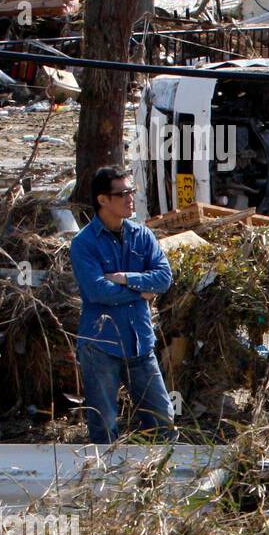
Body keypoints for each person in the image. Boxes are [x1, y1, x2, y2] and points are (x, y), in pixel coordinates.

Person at [69, 167, 175, 444]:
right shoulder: (83, 244)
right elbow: (97, 291)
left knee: (163, 421)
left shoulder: (142, 235)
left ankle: (153, 479)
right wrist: (140, 293)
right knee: (104, 427)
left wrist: (127, 278)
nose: (130, 198)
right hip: (100, 346)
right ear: (103, 200)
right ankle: (104, 483)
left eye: (131, 192)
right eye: (122, 194)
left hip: (140, 343)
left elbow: (164, 278)